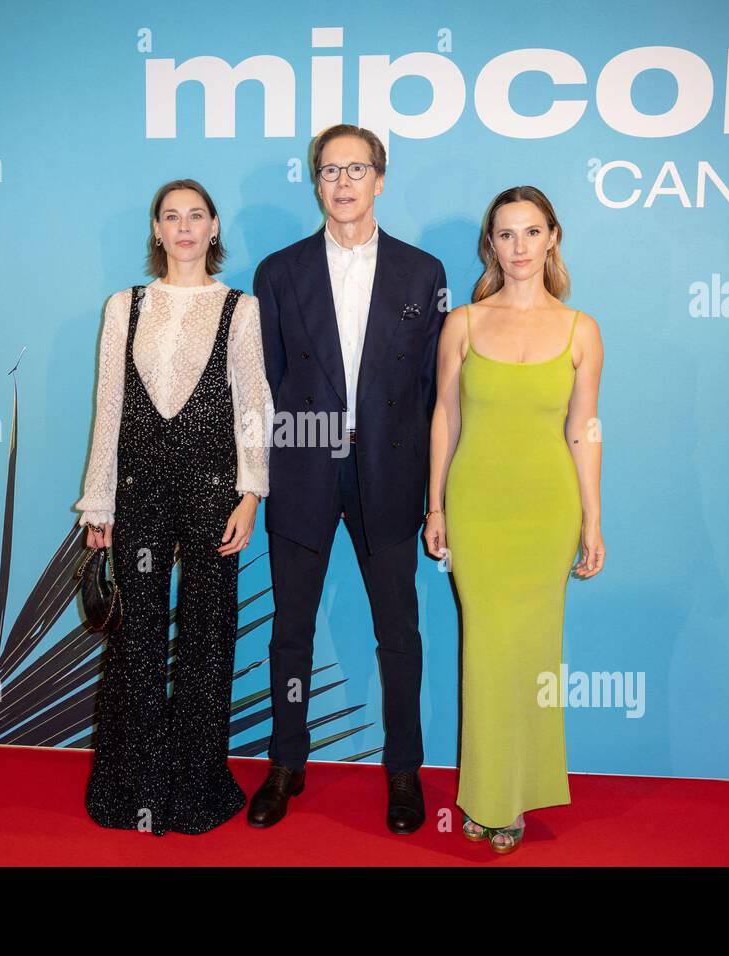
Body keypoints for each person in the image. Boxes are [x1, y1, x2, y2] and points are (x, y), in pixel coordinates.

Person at [248, 124, 447, 833]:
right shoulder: (278, 272)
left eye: (357, 168)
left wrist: (436, 496)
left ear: (381, 179)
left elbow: (433, 395)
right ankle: (285, 762)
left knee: (400, 631)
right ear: (315, 181)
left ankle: (404, 770)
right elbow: (265, 384)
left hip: (390, 471)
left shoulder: (424, 273)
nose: (343, 183)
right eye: (330, 170)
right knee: (290, 632)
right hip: (304, 465)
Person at [72, 178, 274, 836]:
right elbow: (110, 409)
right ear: (156, 230)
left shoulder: (239, 309)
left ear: (214, 228)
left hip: (215, 486)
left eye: (196, 216)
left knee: (209, 638)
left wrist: (252, 493)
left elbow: (255, 408)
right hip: (138, 488)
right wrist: (98, 501)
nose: (184, 226)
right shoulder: (122, 307)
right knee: (136, 638)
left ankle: (195, 789)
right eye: (171, 216)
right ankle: (133, 787)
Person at [425, 185, 605, 854]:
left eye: (532, 232)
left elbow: (585, 428)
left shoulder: (581, 327)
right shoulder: (464, 322)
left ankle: (514, 795)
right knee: (487, 650)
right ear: (491, 244)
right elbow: (446, 414)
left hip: (547, 511)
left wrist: (592, 518)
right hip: (477, 509)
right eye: (506, 234)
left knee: (532, 656)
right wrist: (436, 503)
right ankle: (489, 795)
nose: (520, 246)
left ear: (552, 237)